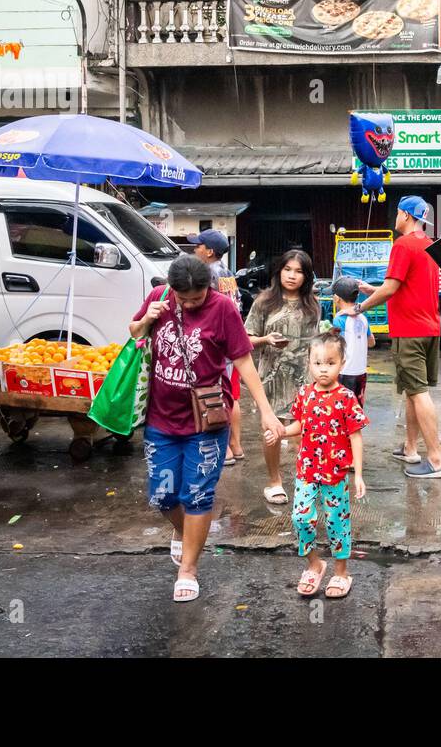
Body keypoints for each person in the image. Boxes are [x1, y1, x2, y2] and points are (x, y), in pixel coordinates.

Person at [129, 255, 283, 603]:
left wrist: (266, 411)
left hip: (207, 421)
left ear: (207, 289)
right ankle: (187, 535)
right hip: (161, 418)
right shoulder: (159, 299)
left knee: (197, 494)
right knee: (163, 495)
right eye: (182, 299)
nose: (187, 304)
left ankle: (188, 569)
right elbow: (134, 331)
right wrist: (146, 321)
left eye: (195, 299)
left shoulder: (223, 308)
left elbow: (243, 359)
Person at [343, 196, 441, 478]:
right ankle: (411, 448)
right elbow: (401, 286)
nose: (395, 218)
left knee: (418, 392)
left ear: (405, 214)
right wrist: (371, 290)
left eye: (398, 213)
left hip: (409, 330)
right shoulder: (429, 245)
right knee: (414, 390)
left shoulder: (402, 244)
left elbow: (391, 288)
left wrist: (359, 307)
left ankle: (437, 459)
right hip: (429, 327)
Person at [263, 330, 367, 599]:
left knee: (336, 522)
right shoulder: (305, 394)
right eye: (318, 363)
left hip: (335, 474)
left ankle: (341, 572)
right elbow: (300, 424)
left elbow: (356, 435)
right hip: (307, 470)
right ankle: (315, 564)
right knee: (300, 518)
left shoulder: (346, 397)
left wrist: (359, 474)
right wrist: (282, 432)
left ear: (342, 363)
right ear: (309, 363)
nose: (323, 369)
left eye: (330, 363)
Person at [246, 249, 322, 505]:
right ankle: (274, 481)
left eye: (299, 271)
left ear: (306, 276)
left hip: (304, 377)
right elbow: (246, 338)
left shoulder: (312, 304)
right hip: (271, 378)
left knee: (306, 431)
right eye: (288, 269)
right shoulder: (265, 301)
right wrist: (266, 339)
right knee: (273, 431)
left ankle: (307, 479)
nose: (292, 276)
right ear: (279, 271)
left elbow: (315, 342)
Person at [187, 229, 245, 466]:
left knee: (215, 395)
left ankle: (226, 452)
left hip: (216, 342)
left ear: (209, 251)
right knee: (231, 395)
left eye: (198, 245)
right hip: (231, 340)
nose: (194, 249)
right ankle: (236, 446)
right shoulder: (227, 273)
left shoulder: (206, 274)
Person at [329, 276, 374, 405]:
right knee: (356, 409)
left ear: (337, 298)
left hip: (344, 372)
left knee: (341, 409)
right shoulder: (363, 318)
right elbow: (372, 342)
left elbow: (334, 346)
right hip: (361, 372)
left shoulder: (339, 319)